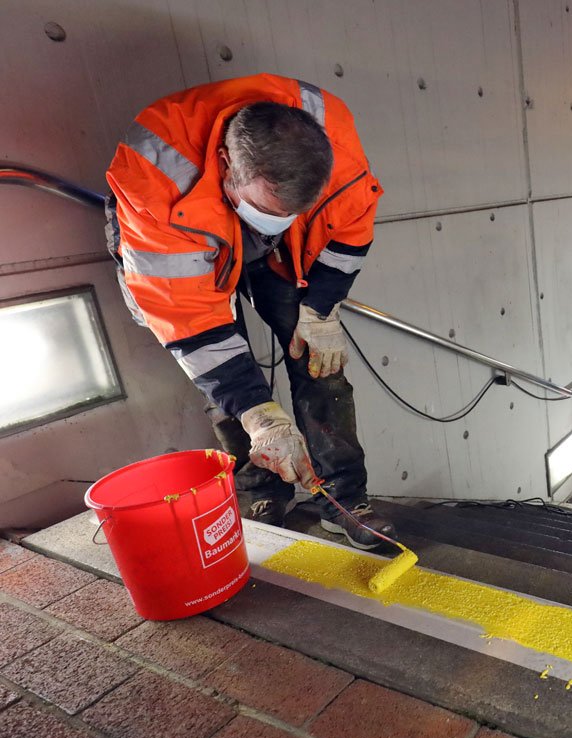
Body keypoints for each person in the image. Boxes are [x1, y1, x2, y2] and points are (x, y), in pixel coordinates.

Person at [104, 73, 391, 549]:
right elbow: (194, 326)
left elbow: (349, 230)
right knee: (228, 386)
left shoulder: (334, 139)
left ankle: (345, 500)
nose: (276, 224)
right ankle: (262, 489)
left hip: (272, 238)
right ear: (225, 164)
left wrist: (320, 309)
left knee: (320, 363)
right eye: (269, 211)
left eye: (291, 212)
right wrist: (261, 417)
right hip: (185, 236)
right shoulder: (154, 180)